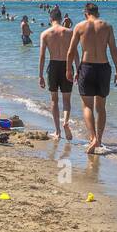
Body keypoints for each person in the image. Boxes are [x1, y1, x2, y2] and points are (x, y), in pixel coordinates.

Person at [65, 2, 117, 154]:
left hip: (87, 68)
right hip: (103, 67)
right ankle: (99, 140)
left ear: (85, 13)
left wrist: (69, 69)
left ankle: (93, 137)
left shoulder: (80, 26)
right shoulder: (107, 26)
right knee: (101, 107)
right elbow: (114, 50)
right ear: (98, 13)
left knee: (87, 106)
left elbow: (71, 52)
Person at [38, 8, 76, 140]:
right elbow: (75, 53)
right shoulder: (70, 32)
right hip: (67, 66)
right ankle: (65, 122)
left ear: (50, 19)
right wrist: (77, 69)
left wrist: (41, 75)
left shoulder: (45, 33)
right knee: (66, 100)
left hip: (53, 66)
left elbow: (42, 56)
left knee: (54, 100)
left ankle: (58, 131)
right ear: (61, 18)